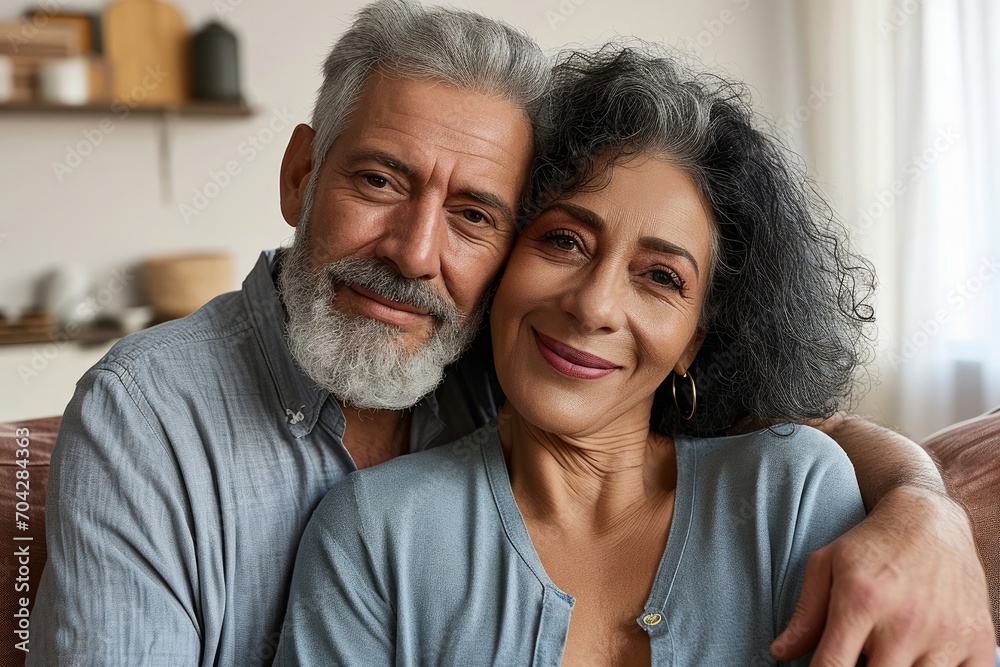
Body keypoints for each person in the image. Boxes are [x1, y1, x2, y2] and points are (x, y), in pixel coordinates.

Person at [28, 2, 995, 666]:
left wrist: (926, 505)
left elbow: (805, 438)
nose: (415, 253)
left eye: (475, 215)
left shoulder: (505, 365)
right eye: (378, 180)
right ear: (299, 177)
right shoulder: (154, 417)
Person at [273, 43, 999, 666]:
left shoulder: (790, 492)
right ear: (500, 258)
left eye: (661, 277)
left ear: (697, 340)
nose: (593, 305)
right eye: (563, 240)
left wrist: (929, 507)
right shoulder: (375, 531)